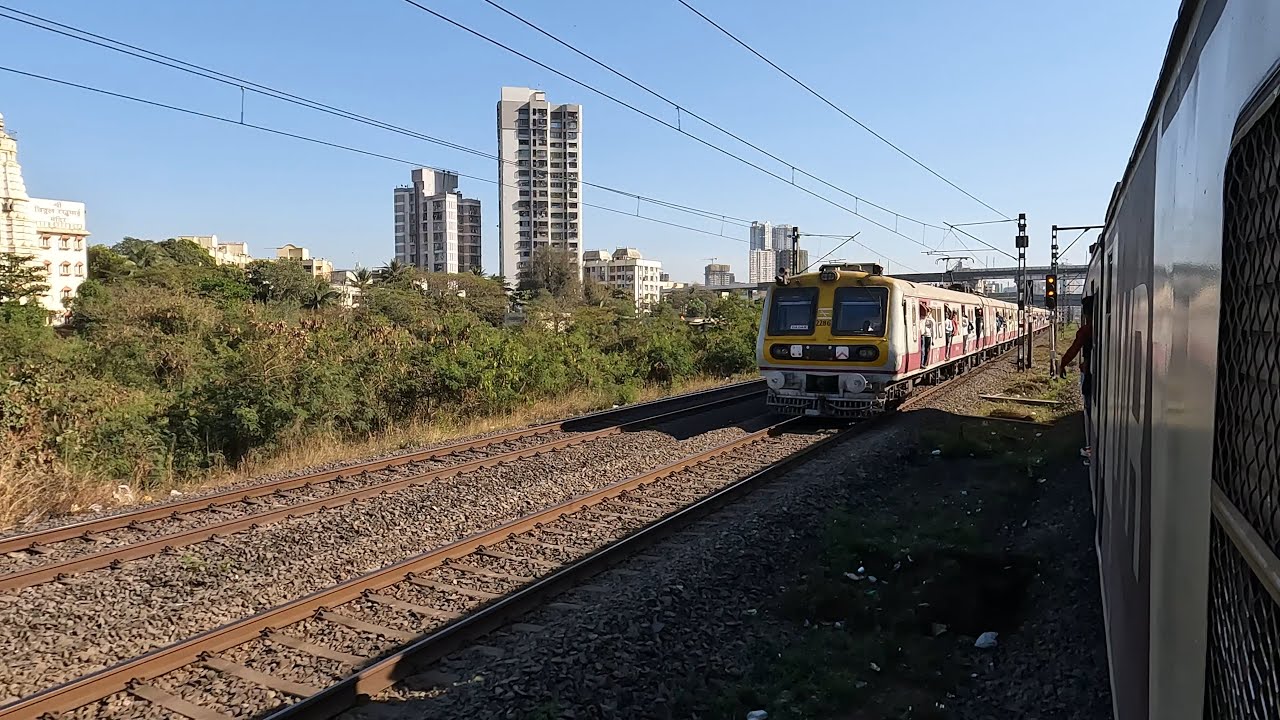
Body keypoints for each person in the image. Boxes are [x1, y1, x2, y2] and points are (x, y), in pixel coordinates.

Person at [1060, 296, 1094, 463]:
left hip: (1091, 376)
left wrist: (1062, 364)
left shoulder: (1087, 330)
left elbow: (1074, 348)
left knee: (1089, 406)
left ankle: (1092, 446)